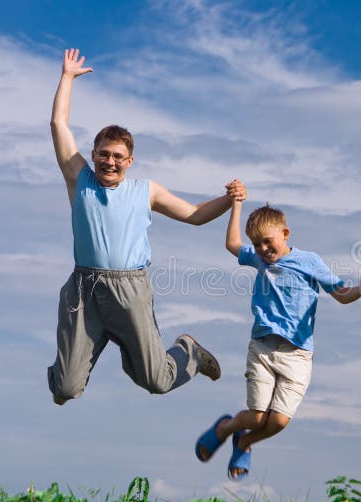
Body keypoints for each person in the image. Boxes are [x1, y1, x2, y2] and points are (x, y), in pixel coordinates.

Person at [47, 48, 247, 404]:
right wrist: (67, 78)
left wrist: (229, 200)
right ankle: (68, 364)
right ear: (93, 155)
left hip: (130, 290)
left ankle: (190, 351)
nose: (110, 162)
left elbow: (195, 214)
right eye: (104, 154)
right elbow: (58, 125)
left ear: (129, 161)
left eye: (118, 157)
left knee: (156, 381)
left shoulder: (145, 191)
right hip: (84, 287)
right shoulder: (80, 180)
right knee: (64, 389)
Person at [194, 200, 361, 480]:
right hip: (262, 347)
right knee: (257, 416)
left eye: (267, 242)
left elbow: (342, 294)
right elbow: (232, 244)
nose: (263, 249)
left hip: (298, 354)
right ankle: (225, 428)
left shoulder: (309, 262)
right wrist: (236, 204)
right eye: (258, 244)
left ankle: (244, 442)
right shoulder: (259, 259)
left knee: (278, 421)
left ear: (285, 234)